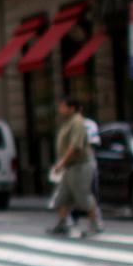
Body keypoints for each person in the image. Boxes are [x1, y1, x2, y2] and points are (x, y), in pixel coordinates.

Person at [47, 96, 101, 236]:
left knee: (83, 196)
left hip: (80, 165)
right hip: (70, 166)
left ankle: (95, 224)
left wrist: (61, 163)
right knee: (63, 196)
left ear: (72, 108)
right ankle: (62, 223)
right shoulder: (68, 122)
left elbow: (75, 146)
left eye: (63, 106)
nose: (60, 109)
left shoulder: (77, 122)